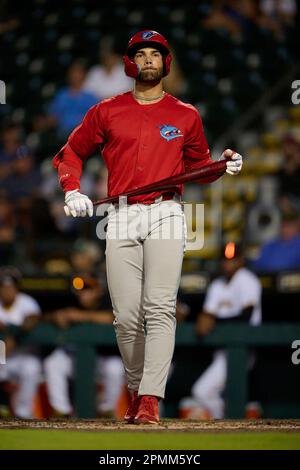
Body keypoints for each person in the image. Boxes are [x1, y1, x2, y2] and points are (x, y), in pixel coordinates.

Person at [52, 30, 243, 424]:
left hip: (167, 213)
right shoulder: (106, 110)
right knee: (124, 315)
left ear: (165, 62)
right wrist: (72, 190)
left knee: (159, 307)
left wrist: (223, 166)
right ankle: (138, 388)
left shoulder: (185, 114)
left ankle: (151, 400)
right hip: (119, 214)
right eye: (142, 54)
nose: (149, 60)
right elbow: (70, 152)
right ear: (131, 63)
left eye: (155, 54)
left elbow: (199, 169)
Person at [180, 243, 262, 419]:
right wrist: (204, 318)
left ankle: (223, 421)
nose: (228, 264)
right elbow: (208, 314)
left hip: (242, 350)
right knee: (218, 393)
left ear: (240, 261)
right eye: (225, 261)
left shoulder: (247, 279)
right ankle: (229, 422)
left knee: (202, 390)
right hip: (220, 351)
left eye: (232, 260)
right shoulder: (217, 285)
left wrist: (214, 321)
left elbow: (247, 316)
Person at [44, 274, 124, 418]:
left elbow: (113, 317)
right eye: (80, 290)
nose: (82, 294)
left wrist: (80, 316)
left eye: (88, 289)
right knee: (53, 362)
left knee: (115, 368)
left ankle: (106, 409)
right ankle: (61, 410)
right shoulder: (70, 301)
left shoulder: (108, 301)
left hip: (102, 357)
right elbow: (46, 315)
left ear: (98, 291)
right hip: (74, 357)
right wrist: (56, 317)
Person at [0, 267, 42, 419]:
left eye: (10, 286)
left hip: (24, 355)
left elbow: (32, 319)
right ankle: (2, 407)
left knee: (32, 367)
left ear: (16, 287)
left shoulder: (26, 301)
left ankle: (23, 414)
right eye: (3, 287)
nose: (6, 290)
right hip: (3, 356)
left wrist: (14, 335)